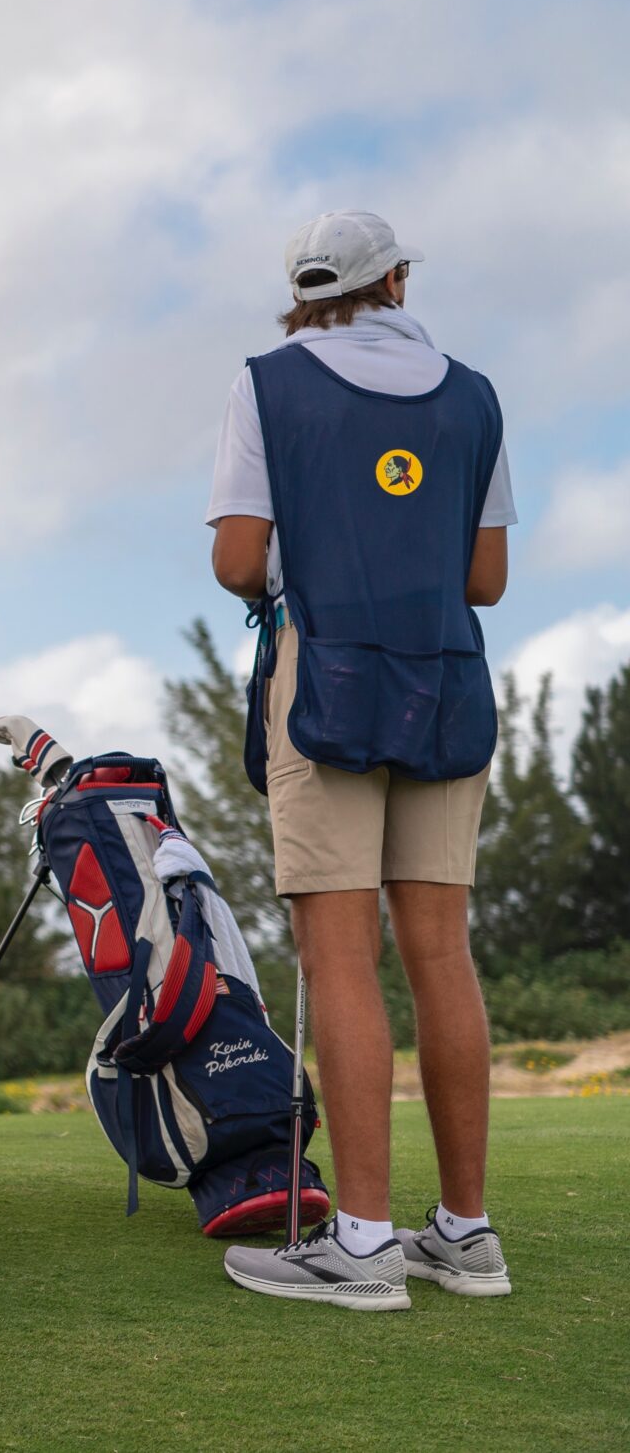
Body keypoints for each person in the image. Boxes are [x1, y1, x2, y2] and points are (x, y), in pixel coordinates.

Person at [211, 211, 516, 1309]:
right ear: (394, 281)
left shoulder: (268, 380)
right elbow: (486, 580)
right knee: (441, 952)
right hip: (446, 678)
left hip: (326, 676)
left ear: (302, 295)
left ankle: (365, 1244)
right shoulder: (473, 394)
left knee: (339, 955)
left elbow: (236, 559)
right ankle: (466, 1234)